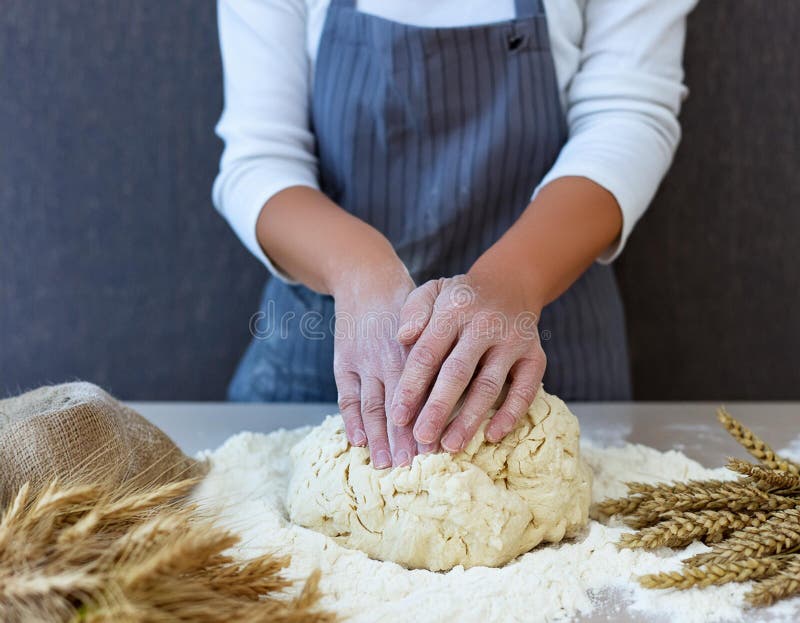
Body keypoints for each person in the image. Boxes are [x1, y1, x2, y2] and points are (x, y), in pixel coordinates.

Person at [212, 0, 696, 469]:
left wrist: (516, 279)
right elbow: (260, 158)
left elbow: (627, 116)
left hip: (553, 338)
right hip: (322, 353)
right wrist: (358, 269)